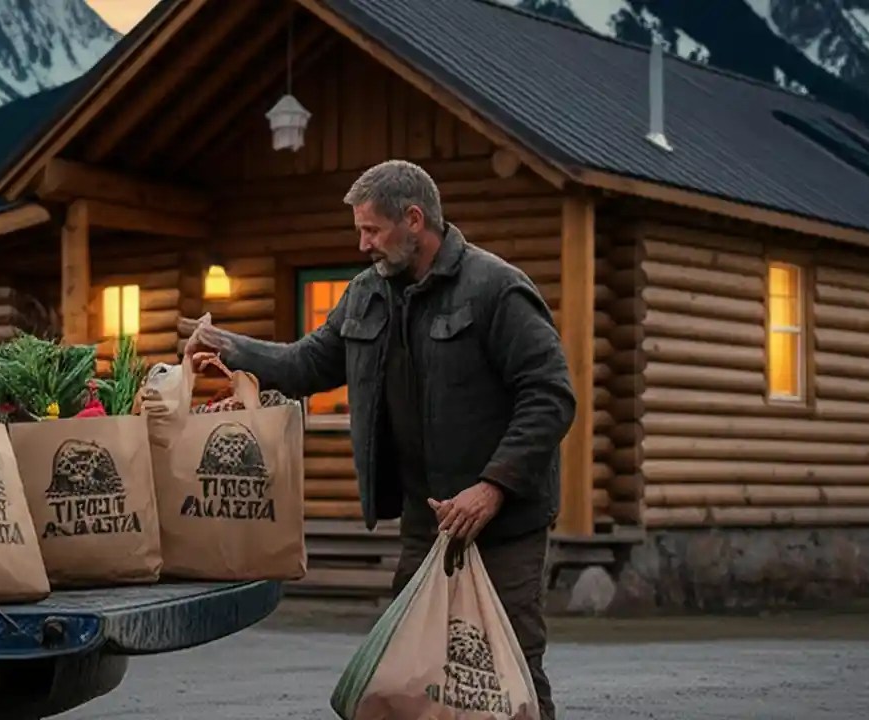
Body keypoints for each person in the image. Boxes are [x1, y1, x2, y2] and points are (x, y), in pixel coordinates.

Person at [183, 158, 576, 719]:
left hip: (504, 523)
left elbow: (550, 395)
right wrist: (227, 346)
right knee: (414, 670)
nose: (362, 243)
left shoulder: (497, 290)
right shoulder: (366, 294)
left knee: (506, 668)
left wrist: (491, 488)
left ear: (414, 220)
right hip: (425, 521)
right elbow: (306, 364)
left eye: (371, 229)